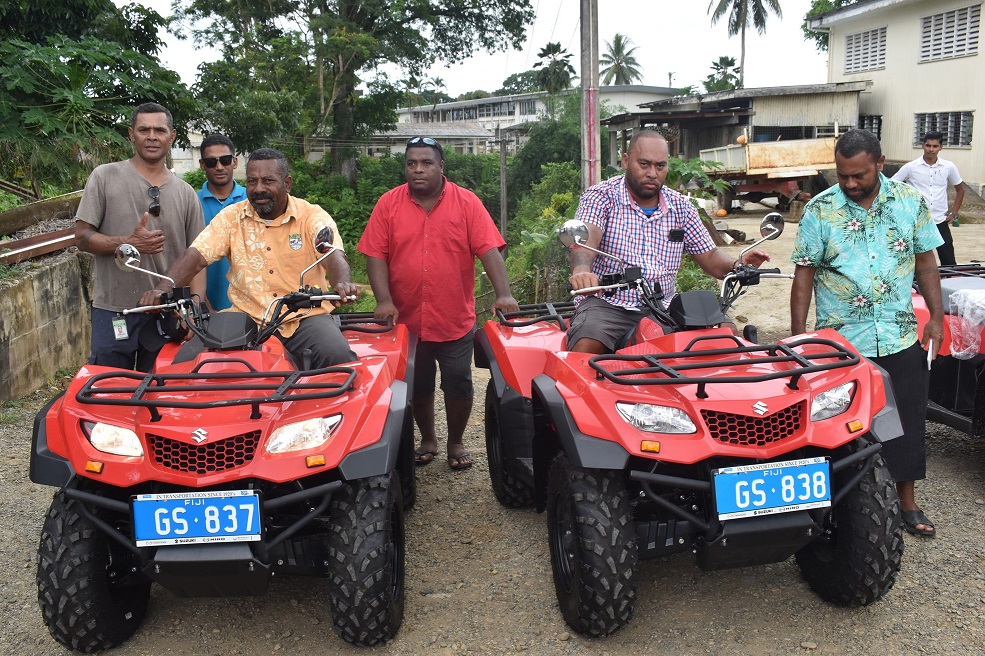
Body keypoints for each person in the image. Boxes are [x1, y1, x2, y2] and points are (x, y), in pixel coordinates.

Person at [790, 128, 945, 538]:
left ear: (879, 164)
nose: (849, 183)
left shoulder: (910, 202)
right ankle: (839, 508)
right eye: (842, 175)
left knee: (907, 418)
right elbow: (803, 274)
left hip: (900, 335)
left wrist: (936, 317)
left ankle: (907, 503)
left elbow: (927, 263)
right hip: (840, 344)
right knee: (836, 424)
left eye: (858, 175)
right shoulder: (821, 210)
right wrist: (798, 337)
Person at [358, 136, 519, 471]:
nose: (418, 170)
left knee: (458, 380)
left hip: (452, 316)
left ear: (441, 166)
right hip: (405, 320)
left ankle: (456, 440)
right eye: (412, 163)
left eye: (426, 163)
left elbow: (489, 249)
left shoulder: (467, 203)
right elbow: (375, 255)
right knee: (417, 382)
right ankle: (427, 438)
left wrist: (503, 293)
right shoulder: (388, 204)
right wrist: (384, 300)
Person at [138, 148, 358, 369]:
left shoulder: (311, 215)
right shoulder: (232, 217)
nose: (258, 189)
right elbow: (196, 256)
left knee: (337, 356)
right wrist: (163, 288)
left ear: (287, 183)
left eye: (268, 181)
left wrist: (342, 282)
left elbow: (331, 253)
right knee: (185, 365)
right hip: (245, 318)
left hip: (303, 317)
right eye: (252, 181)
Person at [565, 129, 770, 354]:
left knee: (724, 333)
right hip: (610, 304)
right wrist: (582, 270)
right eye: (644, 164)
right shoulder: (601, 196)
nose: (652, 173)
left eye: (660, 166)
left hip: (664, 305)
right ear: (625, 161)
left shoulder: (681, 207)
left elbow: (710, 256)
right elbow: (587, 240)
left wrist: (737, 266)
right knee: (586, 343)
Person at [75, 102, 205, 372]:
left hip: (167, 312)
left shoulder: (186, 193)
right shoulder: (104, 177)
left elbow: (199, 257)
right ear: (131, 134)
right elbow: (83, 237)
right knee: (110, 392)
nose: (152, 136)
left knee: (160, 396)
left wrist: (193, 307)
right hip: (114, 310)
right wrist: (127, 243)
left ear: (172, 136)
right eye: (144, 129)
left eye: (160, 129)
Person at [891, 131, 965, 266]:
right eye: (928, 145)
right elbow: (891, 186)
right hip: (917, 222)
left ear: (941, 147)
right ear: (923, 146)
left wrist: (954, 212)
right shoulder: (911, 167)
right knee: (915, 259)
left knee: (948, 259)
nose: (931, 149)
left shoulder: (948, 167)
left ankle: (950, 283)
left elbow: (960, 189)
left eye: (935, 146)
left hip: (939, 220)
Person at [197, 134, 247, 310]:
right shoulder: (192, 204)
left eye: (225, 160)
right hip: (207, 309)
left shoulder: (253, 201)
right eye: (211, 162)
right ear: (202, 165)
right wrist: (204, 308)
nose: (219, 167)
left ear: (234, 162)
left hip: (253, 309)